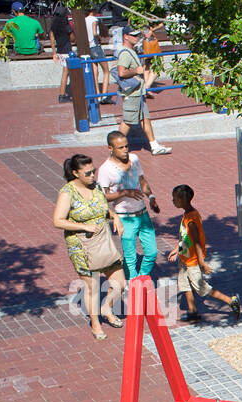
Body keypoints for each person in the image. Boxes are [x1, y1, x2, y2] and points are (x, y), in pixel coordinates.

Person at [54, 153, 126, 340]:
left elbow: (102, 209)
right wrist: (83, 226)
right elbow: (58, 221)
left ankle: (106, 308)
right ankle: (95, 323)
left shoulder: (97, 188)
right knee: (92, 286)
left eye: (93, 171)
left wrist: (115, 216)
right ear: (75, 173)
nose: (92, 175)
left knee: (119, 284)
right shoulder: (67, 192)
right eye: (87, 173)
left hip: (103, 241)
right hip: (81, 245)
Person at [166, 184, 241, 321]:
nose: (173, 201)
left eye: (174, 198)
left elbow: (197, 242)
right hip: (184, 258)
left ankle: (231, 301)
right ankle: (193, 311)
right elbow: (186, 237)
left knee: (202, 288)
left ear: (182, 200)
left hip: (193, 261)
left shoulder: (192, 220)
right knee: (184, 284)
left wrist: (201, 262)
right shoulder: (187, 214)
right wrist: (177, 250)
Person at [97, 131, 159, 279]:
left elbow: (142, 181)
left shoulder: (134, 159)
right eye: (120, 147)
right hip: (125, 218)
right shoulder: (105, 169)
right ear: (110, 148)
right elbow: (103, 196)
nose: (125, 150)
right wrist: (124, 193)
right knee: (130, 258)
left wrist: (151, 197)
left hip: (142, 214)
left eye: (126, 146)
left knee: (152, 252)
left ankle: (141, 277)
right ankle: (133, 284)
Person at [113, 28, 171, 154]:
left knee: (145, 118)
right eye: (133, 35)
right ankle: (115, 148)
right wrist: (137, 71)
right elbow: (121, 72)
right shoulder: (125, 53)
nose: (136, 37)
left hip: (138, 92)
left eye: (137, 35)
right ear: (125, 37)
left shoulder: (130, 51)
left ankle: (154, 145)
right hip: (132, 93)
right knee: (128, 121)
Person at [83, 8, 112, 102]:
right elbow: (95, 32)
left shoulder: (84, 20)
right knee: (106, 71)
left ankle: (98, 95)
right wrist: (99, 38)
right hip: (96, 46)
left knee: (95, 72)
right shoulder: (94, 20)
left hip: (88, 47)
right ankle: (104, 95)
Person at [48, 2, 73, 104]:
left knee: (65, 74)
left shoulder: (53, 27)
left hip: (60, 51)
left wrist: (54, 53)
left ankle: (63, 94)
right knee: (66, 73)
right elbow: (72, 38)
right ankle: (62, 95)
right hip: (67, 50)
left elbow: (52, 41)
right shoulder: (66, 26)